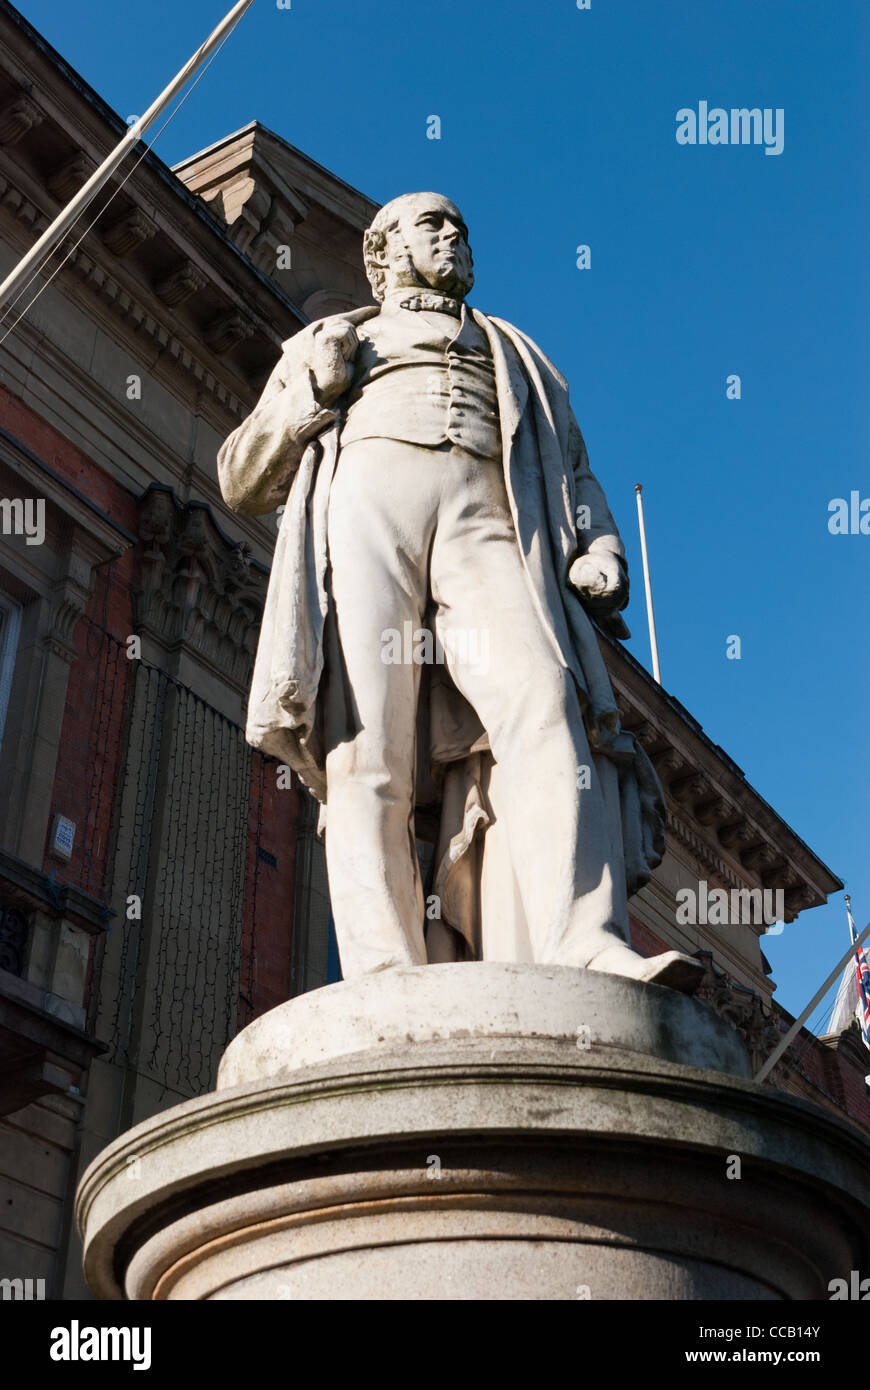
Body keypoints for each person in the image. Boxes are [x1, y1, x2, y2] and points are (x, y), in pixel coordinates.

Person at [218, 192, 702, 993]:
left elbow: (573, 471)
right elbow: (242, 476)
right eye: (433, 225)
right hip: (369, 499)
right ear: (383, 253)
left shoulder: (519, 357)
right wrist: (310, 394)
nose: (454, 237)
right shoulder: (334, 339)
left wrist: (601, 542)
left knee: (544, 698)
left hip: (489, 514)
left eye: (461, 227)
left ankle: (582, 940)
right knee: (366, 745)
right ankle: (382, 968)